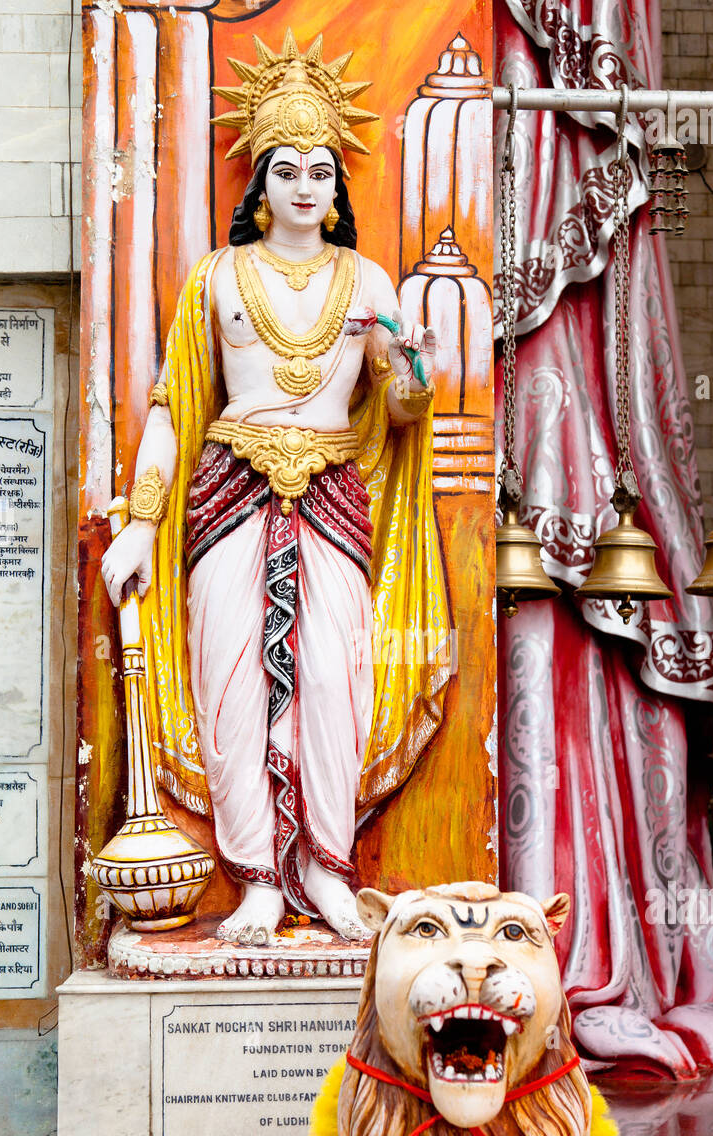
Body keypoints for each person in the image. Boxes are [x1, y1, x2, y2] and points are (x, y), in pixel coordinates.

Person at [100, 32, 449, 946]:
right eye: (286, 169)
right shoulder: (216, 278)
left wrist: (413, 360)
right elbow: (177, 405)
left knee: (333, 682)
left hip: (332, 492)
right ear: (260, 185)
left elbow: (403, 412)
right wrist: (141, 526)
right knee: (231, 678)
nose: (305, 185)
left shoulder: (366, 281)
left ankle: (328, 872)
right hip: (225, 493)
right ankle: (257, 878)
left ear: (337, 192)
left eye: (322, 172)